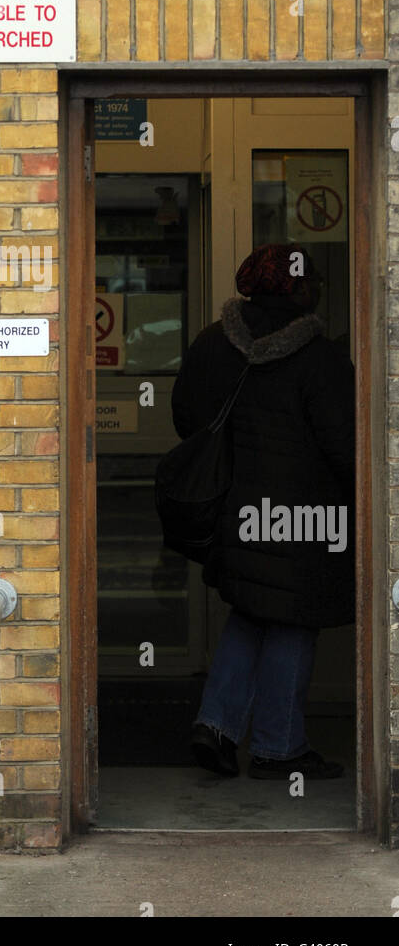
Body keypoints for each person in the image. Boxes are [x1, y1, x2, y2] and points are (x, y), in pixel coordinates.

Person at [170, 243, 355, 780]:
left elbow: (186, 418)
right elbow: (344, 445)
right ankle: (279, 748)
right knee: (294, 618)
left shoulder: (212, 343)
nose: (316, 286)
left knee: (253, 608)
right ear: (295, 288)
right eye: (310, 279)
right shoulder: (320, 356)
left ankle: (216, 724)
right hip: (304, 517)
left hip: (236, 513)